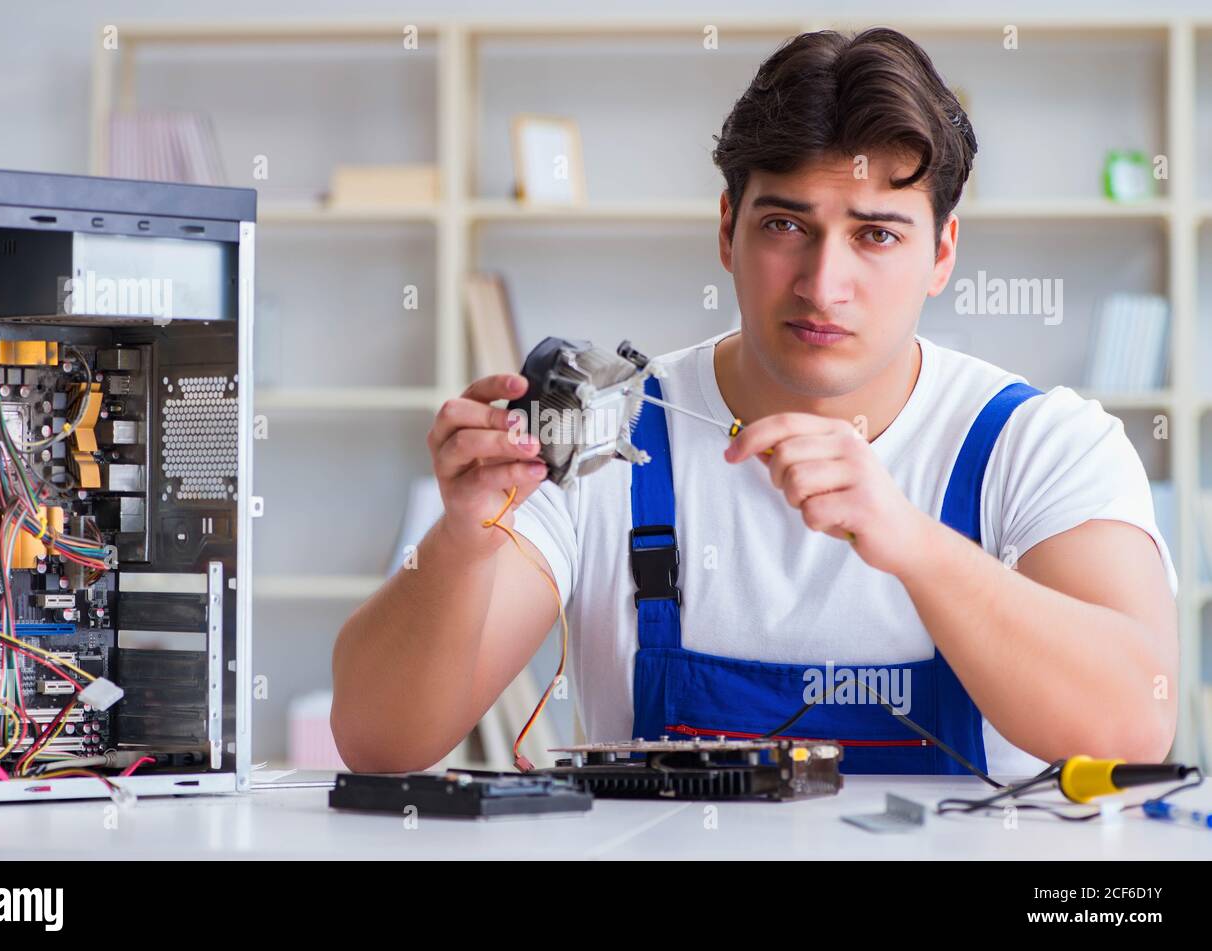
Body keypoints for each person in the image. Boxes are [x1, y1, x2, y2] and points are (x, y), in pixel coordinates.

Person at [330, 27, 1177, 777]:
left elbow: (1137, 722)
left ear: (943, 251)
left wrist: (914, 543)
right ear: (727, 228)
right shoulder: (607, 435)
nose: (823, 283)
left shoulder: (1041, 445)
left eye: (876, 233)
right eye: (785, 225)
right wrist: (462, 539)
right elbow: (381, 741)